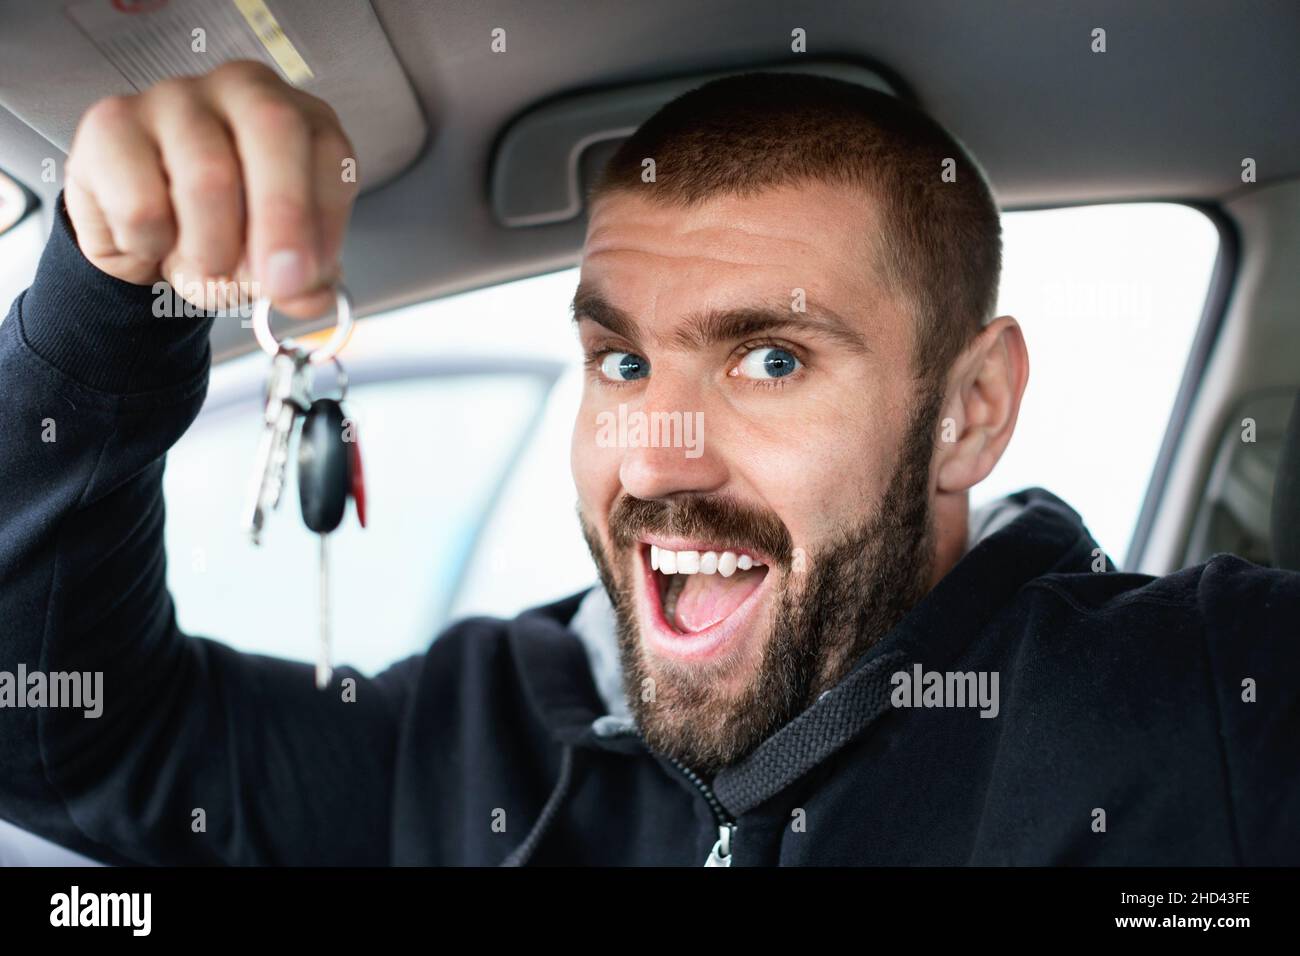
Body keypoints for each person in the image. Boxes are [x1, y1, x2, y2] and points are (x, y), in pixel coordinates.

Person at [0, 61, 1295, 866]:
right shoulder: (476, 741)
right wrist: (108, 298)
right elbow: (59, 736)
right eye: (621, 363)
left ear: (968, 411)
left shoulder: (1196, 703)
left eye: (770, 360)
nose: (658, 461)